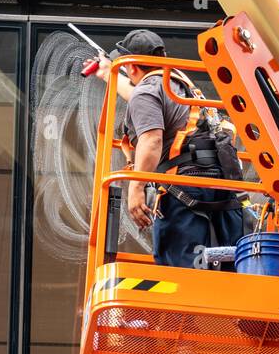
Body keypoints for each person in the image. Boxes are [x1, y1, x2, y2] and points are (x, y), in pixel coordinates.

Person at [92, 29, 245, 268]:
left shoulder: (147, 92)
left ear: (131, 67)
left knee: (178, 269)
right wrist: (107, 74)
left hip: (185, 190)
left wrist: (137, 187)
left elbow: (151, 139)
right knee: (226, 270)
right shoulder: (178, 85)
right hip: (222, 185)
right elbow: (143, 99)